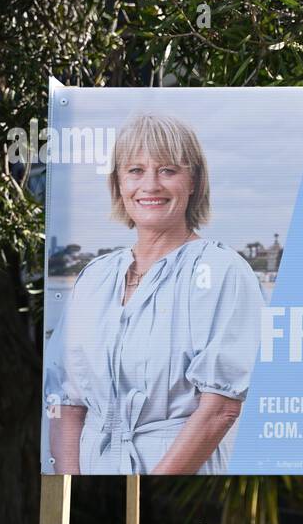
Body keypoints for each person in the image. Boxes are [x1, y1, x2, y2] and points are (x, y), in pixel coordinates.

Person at [46, 113, 264, 474]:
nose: (150, 185)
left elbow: (220, 408)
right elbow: (65, 400)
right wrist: (72, 488)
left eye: (168, 170)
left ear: (193, 181)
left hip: (176, 478)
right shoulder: (93, 277)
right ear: (117, 183)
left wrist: (148, 492)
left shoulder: (222, 271)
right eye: (135, 170)